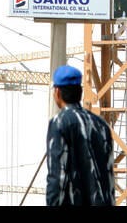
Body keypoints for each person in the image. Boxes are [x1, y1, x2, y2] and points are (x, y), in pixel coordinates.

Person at [45, 65, 114, 206]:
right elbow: (109, 179)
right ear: (80, 92)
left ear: (57, 92)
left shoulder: (59, 123)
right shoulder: (101, 125)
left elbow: (58, 178)